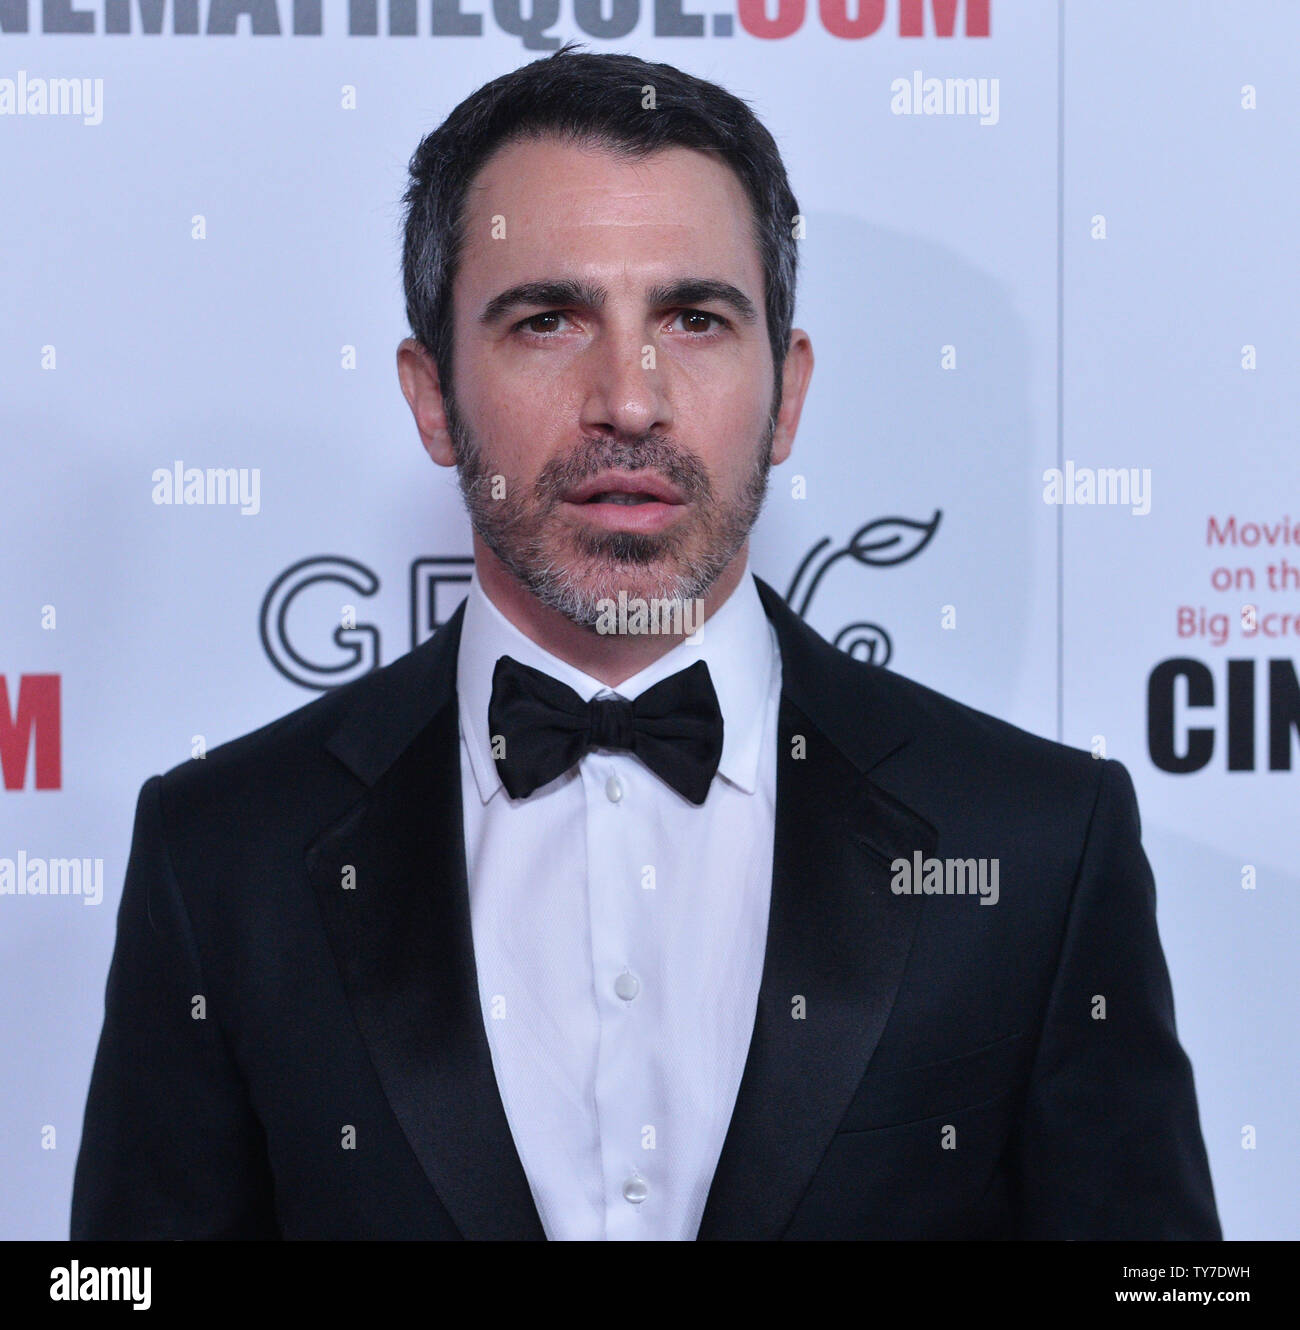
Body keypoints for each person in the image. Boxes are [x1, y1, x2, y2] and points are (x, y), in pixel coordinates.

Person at [71, 43, 1220, 1241]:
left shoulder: (1034, 841)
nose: (630, 396)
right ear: (430, 396)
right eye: (549, 319)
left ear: (785, 395)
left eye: (695, 316)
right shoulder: (223, 857)